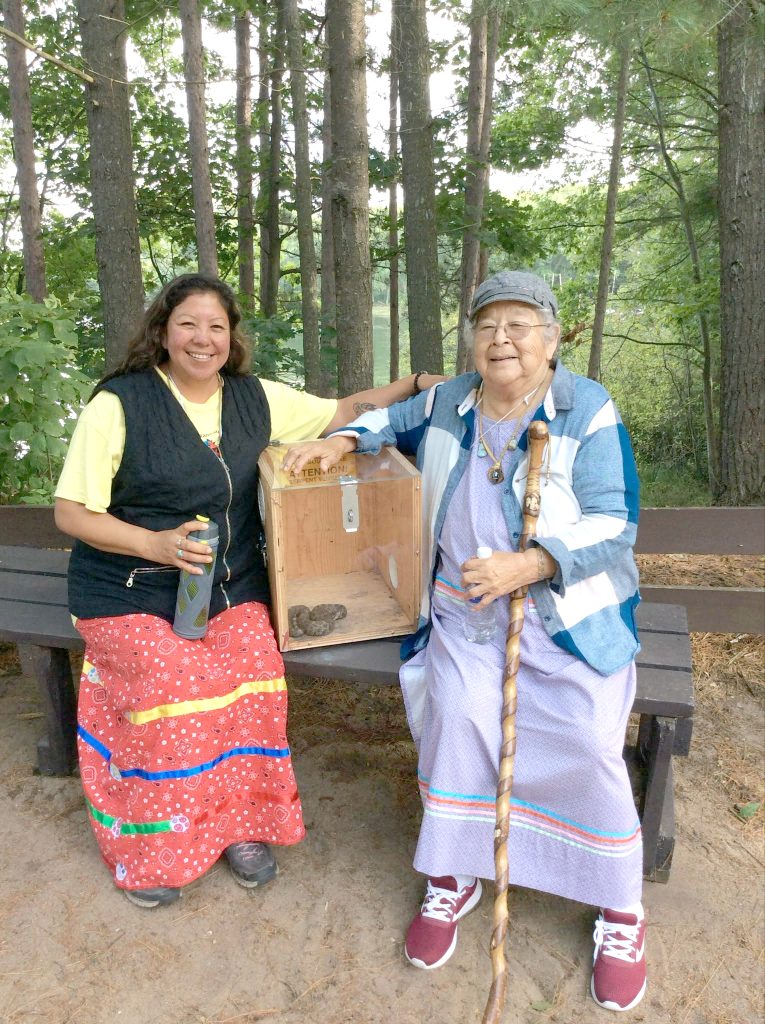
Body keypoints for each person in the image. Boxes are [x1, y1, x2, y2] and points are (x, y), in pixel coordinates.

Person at [284, 270, 646, 1013]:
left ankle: (619, 907)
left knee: (585, 737)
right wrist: (344, 437)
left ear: (550, 338)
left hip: (563, 618)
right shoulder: (450, 399)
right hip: (465, 617)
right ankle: (454, 874)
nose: (501, 339)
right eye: (487, 326)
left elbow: (615, 523)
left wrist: (533, 563)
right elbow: (389, 422)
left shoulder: (586, 408)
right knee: (459, 715)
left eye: (519, 325)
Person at [54, 272, 443, 909]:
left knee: (255, 677)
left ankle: (239, 825)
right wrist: (154, 544)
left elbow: (345, 411)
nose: (202, 338)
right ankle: (154, 846)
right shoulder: (119, 404)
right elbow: (71, 513)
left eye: (216, 326)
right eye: (187, 324)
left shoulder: (252, 398)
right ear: (163, 332)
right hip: (128, 588)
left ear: (231, 338)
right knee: (176, 685)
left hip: (226, 587)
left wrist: (418, 383)